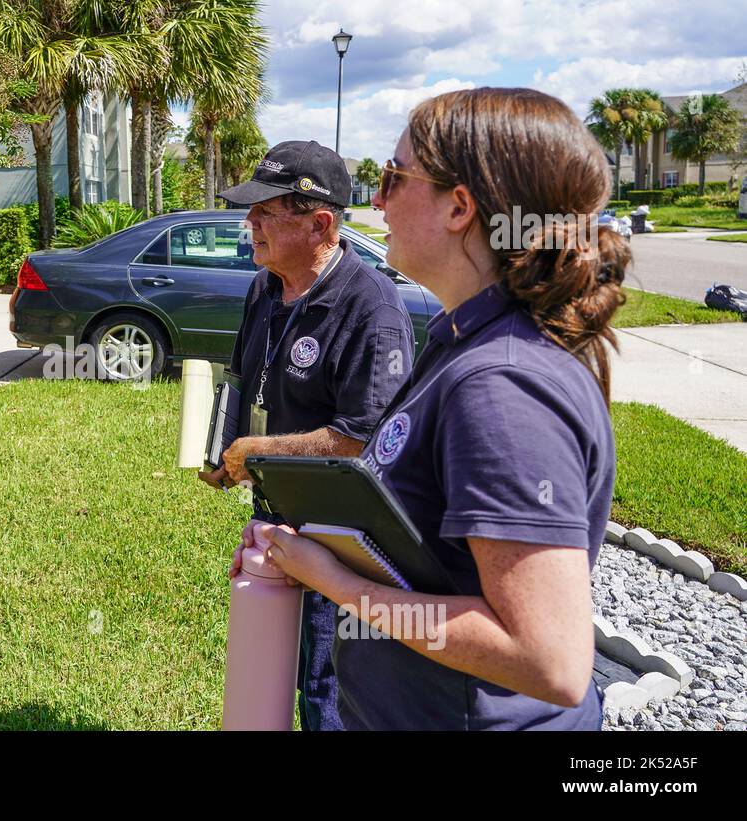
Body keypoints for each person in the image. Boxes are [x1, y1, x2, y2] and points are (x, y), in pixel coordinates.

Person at [254, 87, 629, 730]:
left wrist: (338, 585)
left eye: (394, 178)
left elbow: (550, 661)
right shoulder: (463, 340)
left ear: (460, 207)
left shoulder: (502, 386)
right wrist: (311, 544)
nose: (375, 201)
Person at [203, 140, 415, 730]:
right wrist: (223, 450)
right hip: (278, 521)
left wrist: (258, 453)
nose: (250, 224)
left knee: (329, 690)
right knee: (277, 668)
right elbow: (245, 377)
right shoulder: (265, 287)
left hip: (341, 537)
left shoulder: (372, 307)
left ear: (319, 222)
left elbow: (361, 439)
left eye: (265, 213)